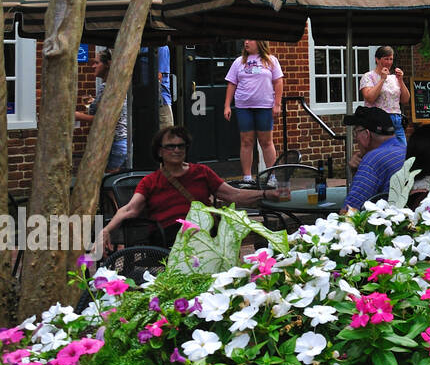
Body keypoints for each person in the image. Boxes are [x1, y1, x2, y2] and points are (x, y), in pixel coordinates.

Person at [94, 125, 268, 253]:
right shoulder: (151, 181)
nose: (176, 150)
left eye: (181, 146)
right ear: (160, 151)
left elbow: (234, 195)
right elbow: (130, 209)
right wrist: (106, 230)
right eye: (170, 146)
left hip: (204, 234)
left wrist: (266, 194)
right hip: (168, 239)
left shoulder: (202, 172)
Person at [223, 39, 283, 183]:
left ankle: (271, 176)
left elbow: (278, 82)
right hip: (244, 107)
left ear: (260, 43)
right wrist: (227, 105)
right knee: (246, 141)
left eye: (250, 40)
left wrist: (277, 104)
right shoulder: (239, 62)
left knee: (266, 142)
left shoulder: (271, 60)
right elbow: (232, 83)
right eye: (245, 40)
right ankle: (247, 177)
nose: (246, 42)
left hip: (264, 106)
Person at [343, 105, 409, 212]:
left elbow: (349, 213)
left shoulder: (372, 160)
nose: (356, 139)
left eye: (356, 133)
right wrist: (357, 171)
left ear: (366, 134)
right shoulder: (406, 151)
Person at [75, 50, 128, 174]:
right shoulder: (115, 85)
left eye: (97, 63)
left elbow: (105, 120)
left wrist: (77, 116)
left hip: (114, 142)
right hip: (120, 142)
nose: (93, 66)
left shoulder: (108, 87)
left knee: (110, 184)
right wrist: (94, 102)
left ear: (108, 64)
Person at [360, 45, 411, 145]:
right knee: (383, 151)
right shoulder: (368, 76)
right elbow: (370, 98)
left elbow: (405, 99)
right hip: (379, 120)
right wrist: (382, 79)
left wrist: (400, 80)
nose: (389, 62)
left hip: (397, 120)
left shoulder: (394, 78)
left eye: (391, 59)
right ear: (377, 59)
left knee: (403, 152)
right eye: (386, 59)